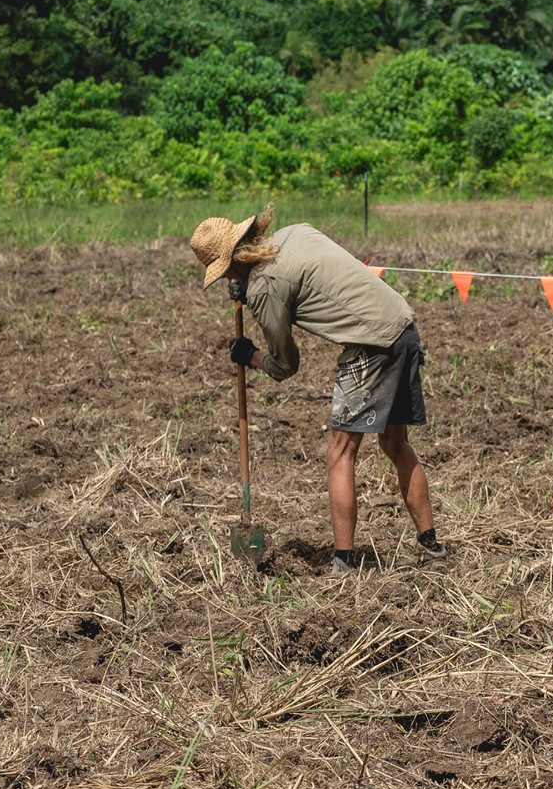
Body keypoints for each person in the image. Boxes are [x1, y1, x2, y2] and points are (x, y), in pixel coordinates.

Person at [189, 209, 445, 577]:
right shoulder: (295, 232)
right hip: (403, 328)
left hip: (372, 347)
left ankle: (343, 562)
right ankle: (431, 546)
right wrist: (249, 288)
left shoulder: (264, 288)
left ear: (232, 265)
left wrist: (252, 356)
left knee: (340, 455)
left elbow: (286, 364)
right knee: (395, 445)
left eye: (226, 272)